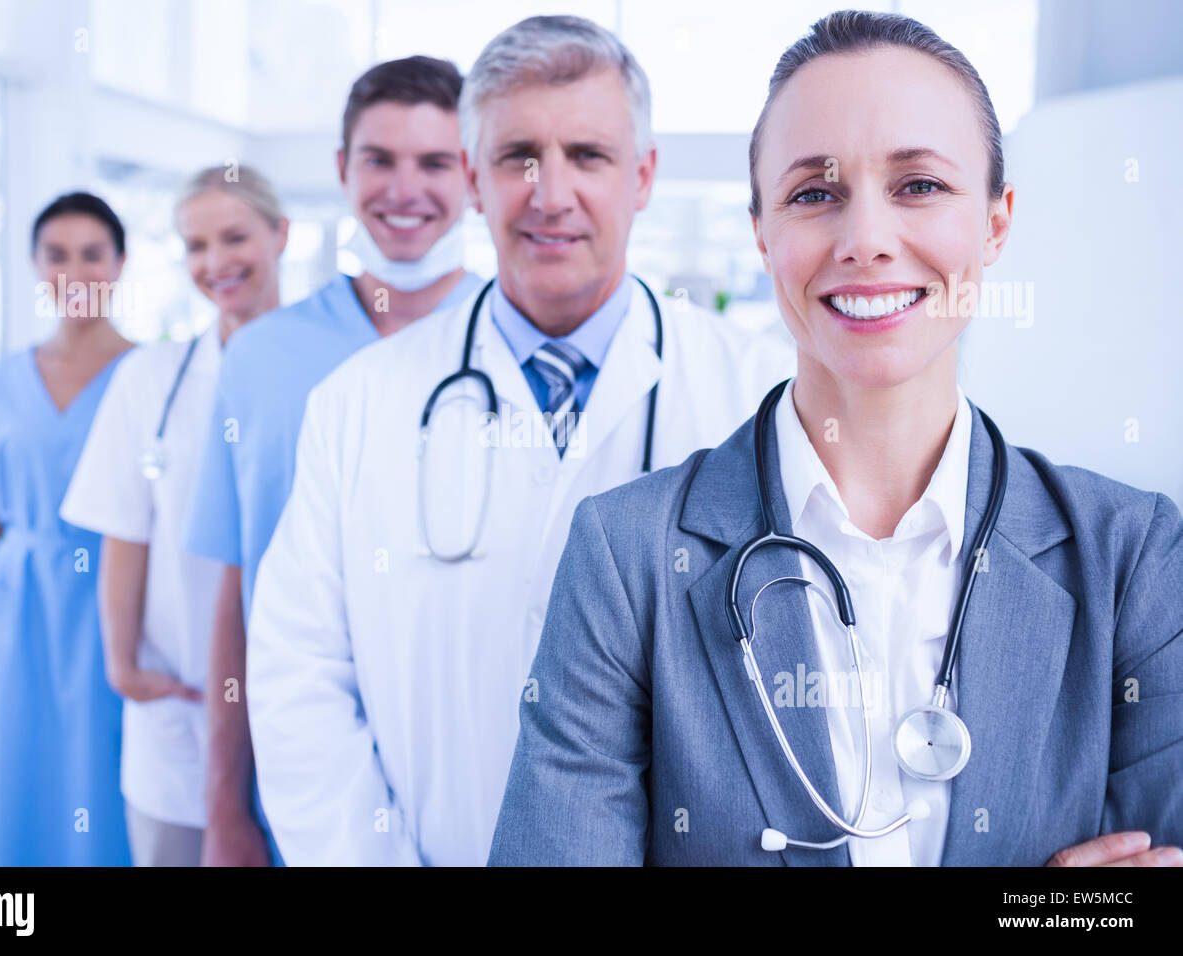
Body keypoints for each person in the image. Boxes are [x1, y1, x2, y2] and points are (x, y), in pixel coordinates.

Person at [487, 10, 1183, 867]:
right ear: (761, 231)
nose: (865, 242)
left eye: (919, 185)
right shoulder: (627, 556)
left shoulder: (1135, 556)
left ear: (997, 222)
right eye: (813, 194)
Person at [245, 15, 795, 866]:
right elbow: (297, 675)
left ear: (642, 176)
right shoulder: (357, 403)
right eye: (517, 158)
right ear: (473, 176)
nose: (550, 193)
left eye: (590, 155)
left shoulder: (759, 394)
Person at [183, 56, 484, 866]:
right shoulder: (263, 356)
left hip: (472, 776)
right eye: (380, 160)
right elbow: (235, 593)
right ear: (342, 170)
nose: (404, 189)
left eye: (435, 162)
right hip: (299, 785)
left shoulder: (514, 346)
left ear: (476, 173)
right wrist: (224, 807)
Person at [59, 167, 290, 866]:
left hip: (302, 714)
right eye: (195, 245)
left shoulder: (334, 371)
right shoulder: (151, 379)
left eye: (235, 237)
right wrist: (124, 665)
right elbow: (124, 530)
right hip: (179, 711)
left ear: (280, 234)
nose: (216, 262)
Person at [0, 192, 135, 866]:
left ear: (120, 265)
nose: (75, 272)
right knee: (12, 797)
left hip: (113, 617)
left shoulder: (150, 378)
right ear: (34, 265)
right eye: (57, 256)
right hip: (14, 626)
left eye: (92, 255)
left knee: (105, 793)